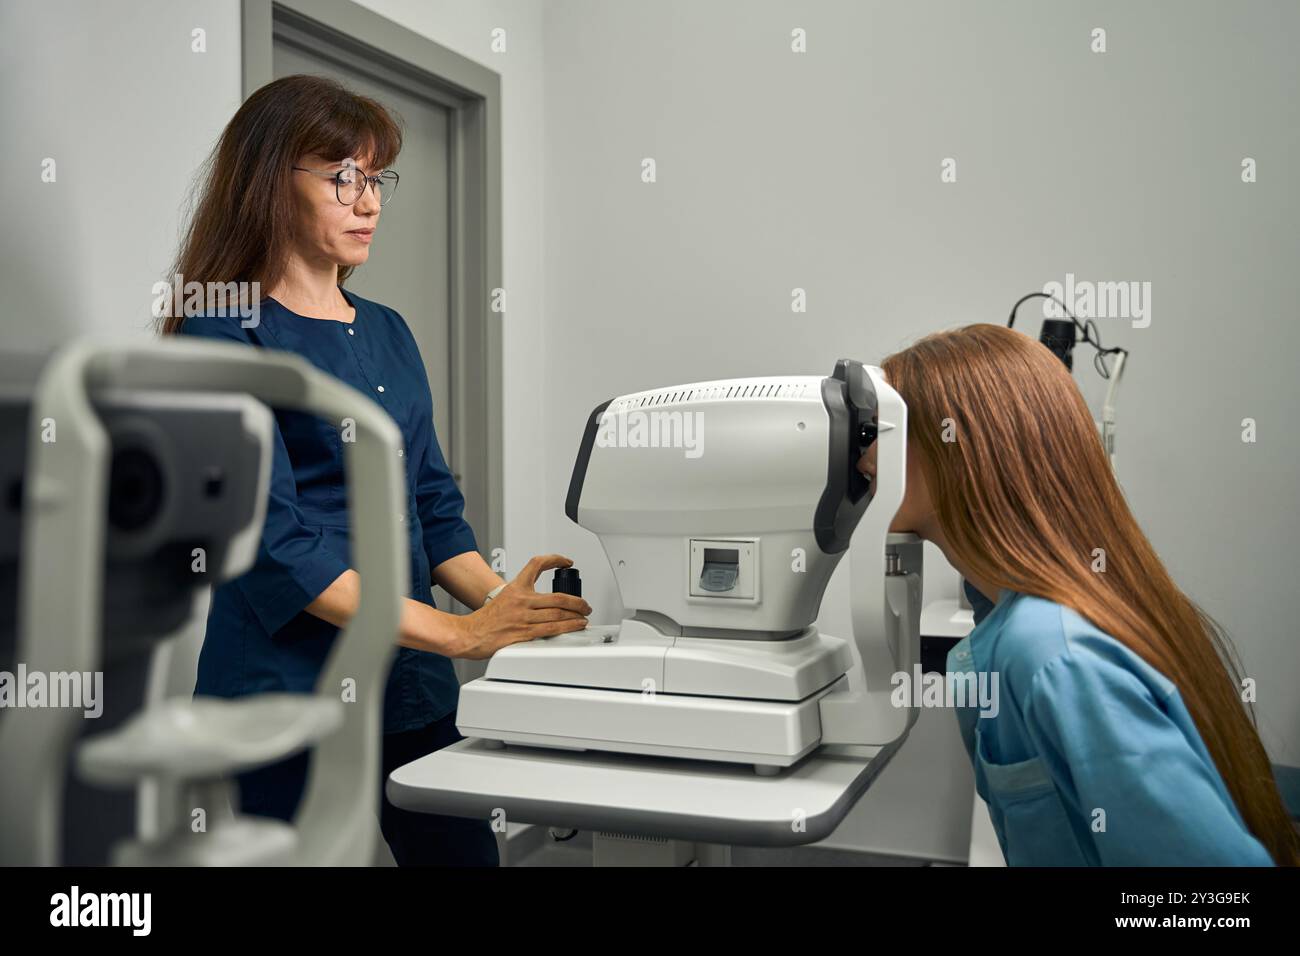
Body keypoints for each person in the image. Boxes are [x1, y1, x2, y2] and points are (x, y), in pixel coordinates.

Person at [158, 74, 590, 866]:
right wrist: (462, 633)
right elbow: (273, 544)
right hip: (284, 688)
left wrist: (506, 611)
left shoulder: (387, 330)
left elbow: (430, 504)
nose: (369, 202)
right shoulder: (220, 331)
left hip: (411, 675)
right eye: (341, 177)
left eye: (376, 177)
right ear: (268, 181)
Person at [858, 323, 1296, 866]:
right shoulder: (1010, 613)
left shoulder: (1053, 653)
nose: (863, 461)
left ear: (961, 453)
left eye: (884, 433)